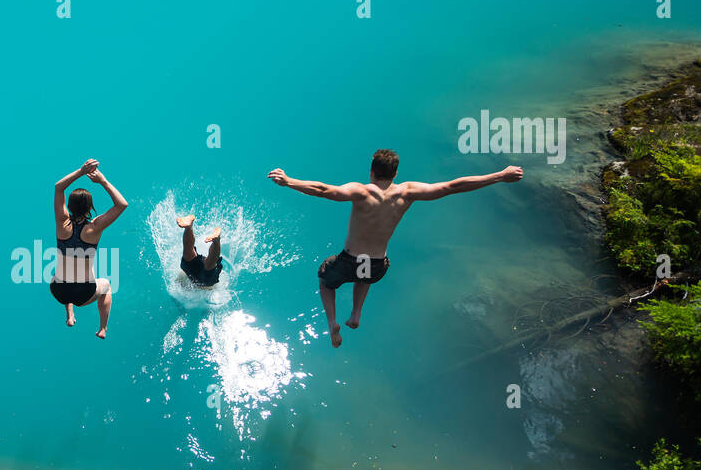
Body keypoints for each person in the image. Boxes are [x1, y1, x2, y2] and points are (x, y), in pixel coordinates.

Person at [268, 149, 523, 348]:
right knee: (364, 273)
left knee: (326, 279)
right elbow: (453, 186)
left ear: (371, 172)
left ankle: (333, 322)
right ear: (395, 173)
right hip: (376, 266)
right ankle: (356, 314)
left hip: (349, 260)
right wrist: (500, 175)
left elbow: (323, 190)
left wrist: (289, 181)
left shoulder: (362, 192)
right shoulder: (408, 192)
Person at [51, 159, 126, 338]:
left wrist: (81, 171)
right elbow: (122, 204)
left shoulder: (62, 222)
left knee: (68, 271)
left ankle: (70, 315)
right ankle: (102, 329)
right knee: (106, 285)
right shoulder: (94, 227)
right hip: (83, 294)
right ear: (90, 207)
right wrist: (103, 181)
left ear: (68, 206)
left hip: (58, 290)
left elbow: (58, 187)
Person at [175, 214, 222, 288]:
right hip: (191, 274)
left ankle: (189, 227)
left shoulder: (182, 281)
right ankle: (189, 228)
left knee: (208, 265)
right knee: (188, 254)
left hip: (190, 274)